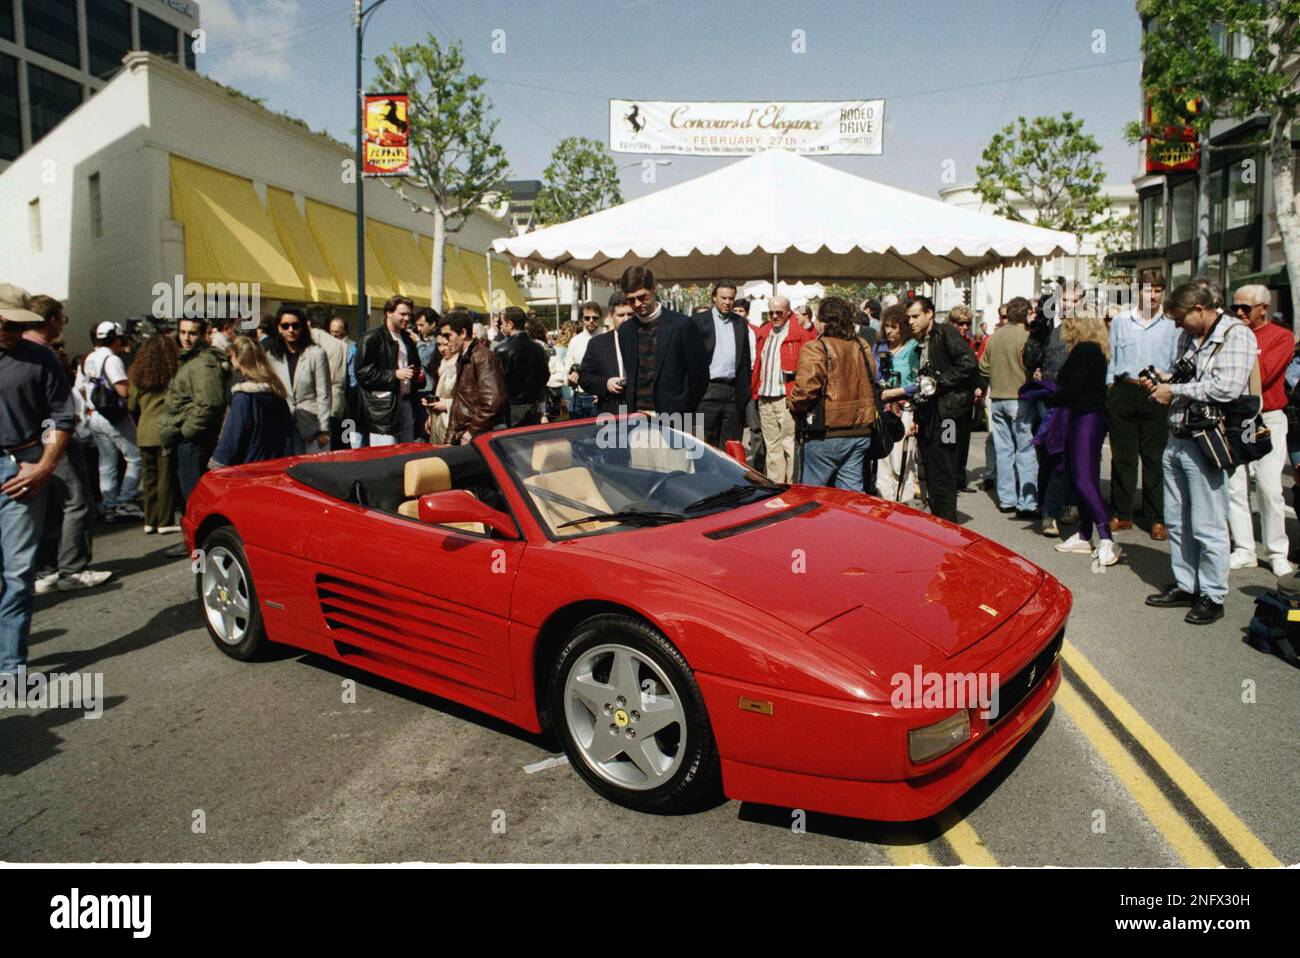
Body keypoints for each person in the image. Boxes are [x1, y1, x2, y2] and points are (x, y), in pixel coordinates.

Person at [1144, 282, 1255, 626]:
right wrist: (1165, 378)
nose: (1177, 326)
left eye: (1180, 319)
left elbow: (1227, 387)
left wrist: (1173, 388)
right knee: (1177, 520)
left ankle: (1213, 593)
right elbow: (1186, 374)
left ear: (1201, 309)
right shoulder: (1188, 337)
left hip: (1206, 440)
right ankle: (1186, 583)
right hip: (1176, 436)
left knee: (1208, 523)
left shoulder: (1236, 335)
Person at [0, 283, 76, 675]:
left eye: (19, 325)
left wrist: (45, 464)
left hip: (21, 468)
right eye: (6, 324)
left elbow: (62, 417)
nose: (13, 332)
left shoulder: (40, 359)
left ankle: (9, 666)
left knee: (17, 572)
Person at [22, 298, 108, 593]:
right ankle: (73, 569)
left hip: (27, 441)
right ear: (51, 319)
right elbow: (55, 408)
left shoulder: (18, 352)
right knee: (76, 499)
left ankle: (46, 569)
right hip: (50, 437)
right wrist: (57, 436)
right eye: (62, 319)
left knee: (47, 506)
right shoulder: (42, 355)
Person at [881, 296, 978, 523]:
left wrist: (938, 382)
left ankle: (947, 522)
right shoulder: (921, 340)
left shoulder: (944, 333)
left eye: (916, 316)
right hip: (931, 413)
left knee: (945, 466)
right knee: (932, 469)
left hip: (950, 416)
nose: (911, 322)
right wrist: (917, 409)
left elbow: (968, 363)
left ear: (930, 314)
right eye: (909, 318)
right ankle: (940, 519)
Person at [1224, 284, 1292, 575]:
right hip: (1237, 416)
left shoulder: (1281, 337)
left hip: (1266, 416)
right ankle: (1244, 548)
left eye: (1245, 308)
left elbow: (1263, 374)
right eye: (1235, 307)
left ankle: (1276, 551)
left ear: (1263, 308)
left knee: (1269, 487)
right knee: (1234, 485)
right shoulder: (1230, 333)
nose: (1239, 313)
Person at [1106, 269, 1176, 541]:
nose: (1154, 295)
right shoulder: (1122, 320)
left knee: (1155, 458)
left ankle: (1156, 517)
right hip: (1125, 389)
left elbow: (1174, 360)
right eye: (1149, 290)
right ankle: (1122, 514)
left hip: (1155, 392)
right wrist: (1109, 391)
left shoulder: (1170, 323)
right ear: (1138, 291)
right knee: (1123, 457)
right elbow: (1112, 357)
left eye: (1159, 290)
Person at [1047, 312, 1120, 567]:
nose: (1064, 331)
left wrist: (1049, 394)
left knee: (1083, 478)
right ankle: (1084, 533)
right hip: (1091, 417)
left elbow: (1072, 388)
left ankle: (1106, 539)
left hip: (1085, 418)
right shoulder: (1096, 350)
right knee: (1085, 476)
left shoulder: (1083, 351)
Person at [788, 297, 878, 489]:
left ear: (823, 321)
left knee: (812, 498)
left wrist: (793, 404)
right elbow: (872, 377)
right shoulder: (862, 345)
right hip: (860, 430)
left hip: (826, 432)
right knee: (850, 499)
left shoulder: (816, 347)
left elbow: (805, 389)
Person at [613, 266, 709, 421]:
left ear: (653, 288)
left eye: (642, 297)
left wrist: (683, 410)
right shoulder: (625, 330)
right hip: (635, 419)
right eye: (631, 300)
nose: (637, 304)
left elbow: (700, 376)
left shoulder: (682, 325)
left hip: (675, 420)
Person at [76, 320, 144, 521]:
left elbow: (80, 387)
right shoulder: (112, 359)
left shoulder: (87, 358)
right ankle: (125, 500)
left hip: (94, 415)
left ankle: (109, 505)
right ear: (115, 339)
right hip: (114, 416)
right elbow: (123, 390)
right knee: (136, 457)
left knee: (107, 463)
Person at [158, 316, 228, 510]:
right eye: (182, 332)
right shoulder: (191, 359)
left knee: (194, 498)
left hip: (194, 440)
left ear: (203, 335)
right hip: (187, 438)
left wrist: (186, 432)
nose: (186, 338)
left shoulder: (204, 363)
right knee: (188, 496)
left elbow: (209, 403)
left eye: (192, 333)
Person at [980, 296, 1037, 516]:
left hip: (997, 399)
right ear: (1026, 314)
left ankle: (1006, 500)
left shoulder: (994, 338)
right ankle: (1027, 502)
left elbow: (983, 367)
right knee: (1025, 450)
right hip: (1020, 398)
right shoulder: (1027, 337)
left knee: (1003, 451)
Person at [751, 295, 815, 483]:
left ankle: (792, 488)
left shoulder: (800, 335)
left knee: (789, 445)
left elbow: (808, 368)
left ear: (788, 312)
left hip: (785, 397)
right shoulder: (765, 332)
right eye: (771, 312)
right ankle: (776, 486)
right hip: (765, 396)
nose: (775, 315)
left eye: (779, 312)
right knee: (772, 446)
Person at [210, 337, 295, 468]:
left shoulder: (243, 398)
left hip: (248, 471)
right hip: (275, 469)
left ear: (237, 358)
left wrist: (217, 465)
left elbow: (231, 441)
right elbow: (288, 437)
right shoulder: (276, 391)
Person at [127, 333, 181, 536]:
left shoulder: (136, 373)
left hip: (143, 430)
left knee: (148, 479)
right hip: (164, 430)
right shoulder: (172, 372)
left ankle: (149, 520)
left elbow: (131, 405)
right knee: (165, 478)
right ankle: (165, 520)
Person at [355, 296, 424, 446]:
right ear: (389, 313)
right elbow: (362, 373)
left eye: (409, 315)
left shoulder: (407, 339)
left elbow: (415, 367)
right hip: (383, 409)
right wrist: (394, 374)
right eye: (402, 314)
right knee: (385, 455)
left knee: (406, 453)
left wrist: (418, 377)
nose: (407, 318)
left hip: (406, 404)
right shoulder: (372, 338)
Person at [692, 280, 753, 448]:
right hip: (707, 391)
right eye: (723, 298)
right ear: (714, 298)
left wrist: (745, 390)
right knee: (702, 444)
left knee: (730, 445)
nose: (727, 302)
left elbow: (745, 358)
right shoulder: (698, 321)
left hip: (733, 393)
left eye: (731, 298)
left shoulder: (740, 323)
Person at [265, 305, 330, 455]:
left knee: (313, 471)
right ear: (279, 328)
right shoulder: (272, 356)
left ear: (303, 327)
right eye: (285, 326)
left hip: (311, 425)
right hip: (283, 424)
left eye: (295, 325)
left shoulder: (316, 354)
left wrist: (324, 429)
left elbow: (324, 393)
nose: (291, 330)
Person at [875, 303, 921, 502]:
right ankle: (884, 500)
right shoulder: (880, 347)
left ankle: (903, 501)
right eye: (887, 326)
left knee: (901, 459)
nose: (889, 331)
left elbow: (921, 382)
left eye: (894, 327)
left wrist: (898, 391)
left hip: (906, 408)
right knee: (883, 457)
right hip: (883, 408)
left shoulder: (913, 348)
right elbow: (874, 374)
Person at [443, 308, 507, 445]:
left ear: (463, 333)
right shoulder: (464, 356)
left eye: (448, 336)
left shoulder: (483, 357)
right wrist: (449, 440)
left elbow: (493, 402)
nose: (445, 341)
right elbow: (459, 403)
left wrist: (472, 431)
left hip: (480, 437)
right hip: (467, 435)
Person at [577, 293, 638, 415]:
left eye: (630, 314)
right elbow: (584, 378)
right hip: (610, 413)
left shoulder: (645, 340)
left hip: (639, 413)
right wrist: (606, 383)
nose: (626, 319)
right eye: (621, 315)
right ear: (611, 316)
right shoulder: (597, 344)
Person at [494, 306, 549, 428]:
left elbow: (498, 383)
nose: (500, 326)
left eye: (501, 322)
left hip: (510, 411)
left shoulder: (502, 349)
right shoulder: (538, 348)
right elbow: (544, 376)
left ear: (510, 324)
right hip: (532, 409)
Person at [306, 305, 350, 450]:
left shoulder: (307, 341)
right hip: (336, 402)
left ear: (308, 322)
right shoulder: (341, 345)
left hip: (312, 404)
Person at [422, 326, 459, 444]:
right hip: (438, 423)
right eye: (438, 345)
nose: (442, 349)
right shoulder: (441, 364)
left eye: (446, 344)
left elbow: (471, 400)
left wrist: (447, 404)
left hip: (455, 425)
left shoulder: (464, 365)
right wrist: (430, 409)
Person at [566, 302, 602, 419]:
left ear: (600, 318)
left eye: (595, 318)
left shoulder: (607, 337)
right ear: (582, 319)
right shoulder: (575, 341)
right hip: (578, 398)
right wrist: (570, 377)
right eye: (587, 318)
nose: (591, 321)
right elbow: (567, 368)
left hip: (599, 398)